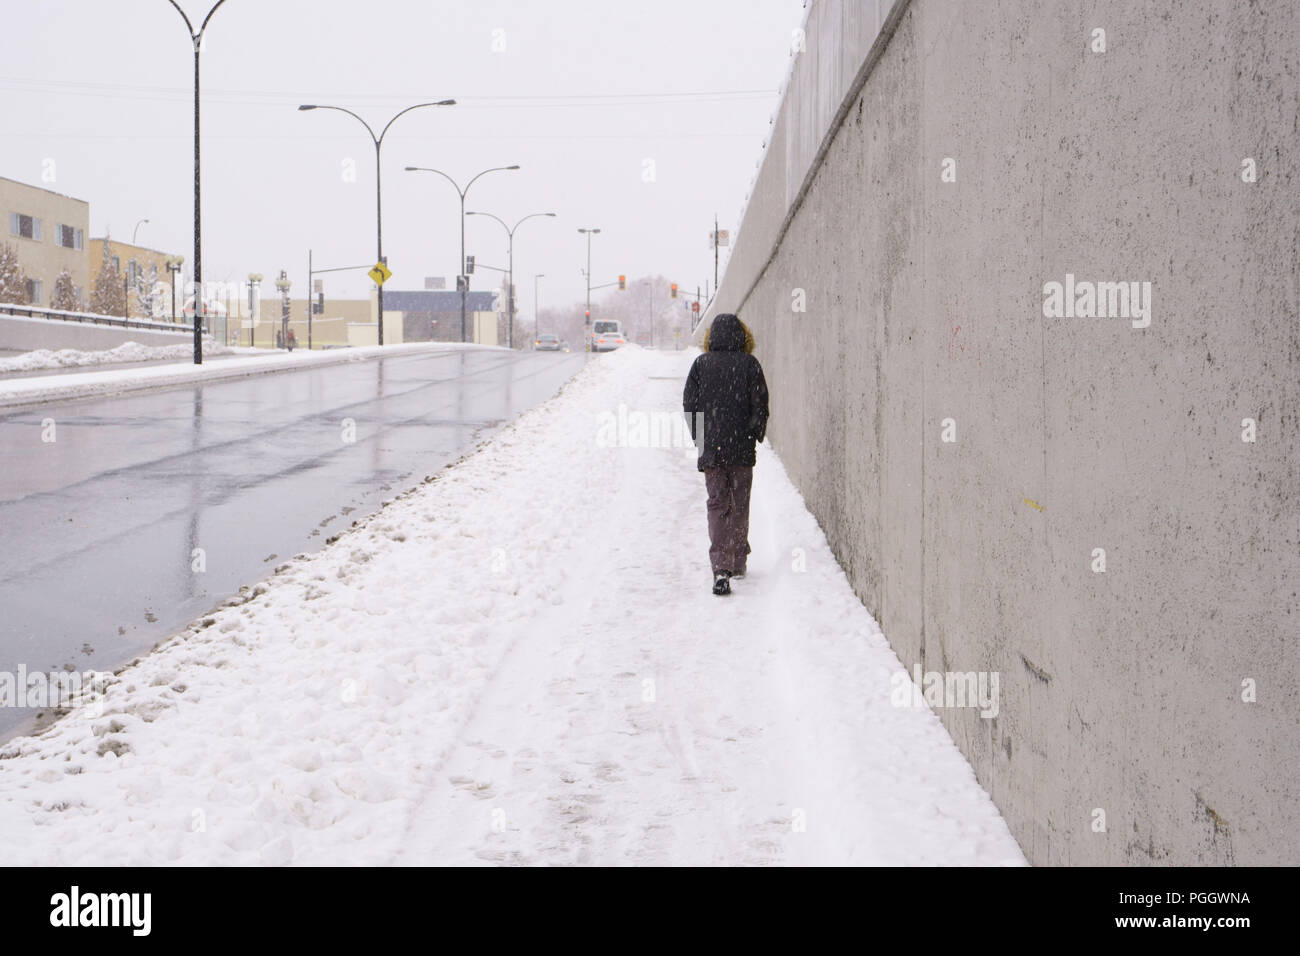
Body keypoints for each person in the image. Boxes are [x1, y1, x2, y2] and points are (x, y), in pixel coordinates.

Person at [683, 313, 769, 596]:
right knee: (740, 503)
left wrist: (701, 439)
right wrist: (754, 432)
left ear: (711, 338)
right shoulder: (750, 365)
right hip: (741, 448)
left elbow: (689, 404)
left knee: (718, 504)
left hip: (713, 449)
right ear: (743, 337)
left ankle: (721, 567)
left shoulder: (701, 364)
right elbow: (760, 403)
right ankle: (738, 561)